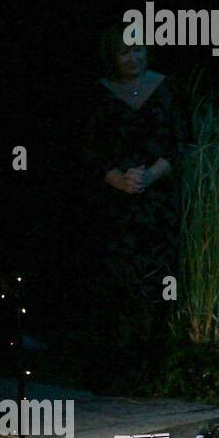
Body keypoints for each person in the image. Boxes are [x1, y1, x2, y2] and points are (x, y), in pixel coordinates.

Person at [79, 29, 185, 391]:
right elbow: (86, 149)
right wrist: (116, 178)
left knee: (154, 280)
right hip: (112, 205)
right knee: (113, 283)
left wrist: (150, 175)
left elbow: (178, 143)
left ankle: (150, 373)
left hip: (157, 202)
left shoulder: (165, 89)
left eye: (137, 50)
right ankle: (109, 374)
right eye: (124, 52)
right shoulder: (99, 93)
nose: (132, 58)